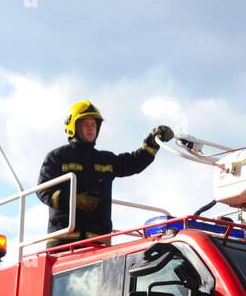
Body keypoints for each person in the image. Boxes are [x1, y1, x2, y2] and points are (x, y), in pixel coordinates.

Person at [38, 100, 172, 246]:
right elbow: (43, 191)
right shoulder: (57, 157)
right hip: (63, 242)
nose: (91, 128)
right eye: (85, 124)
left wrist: (153, 142)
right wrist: (75, 201)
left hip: (98, 243)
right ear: (73, 126)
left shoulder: (105, 159)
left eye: (94, 125)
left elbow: (133, 162)